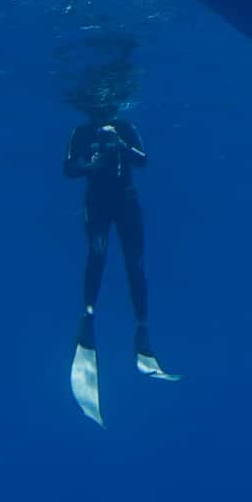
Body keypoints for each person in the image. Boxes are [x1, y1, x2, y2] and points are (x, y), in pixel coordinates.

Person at [64, 113, 174, 388]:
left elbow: (142, 160)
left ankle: (142, 328)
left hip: (126, 202)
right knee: (97, 258)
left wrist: (121, 144)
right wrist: (89, 165)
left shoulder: (125, 127)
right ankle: (88, 316)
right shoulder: (82, 132)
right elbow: (68, 168)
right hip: (97, 204)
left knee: (135, 264)